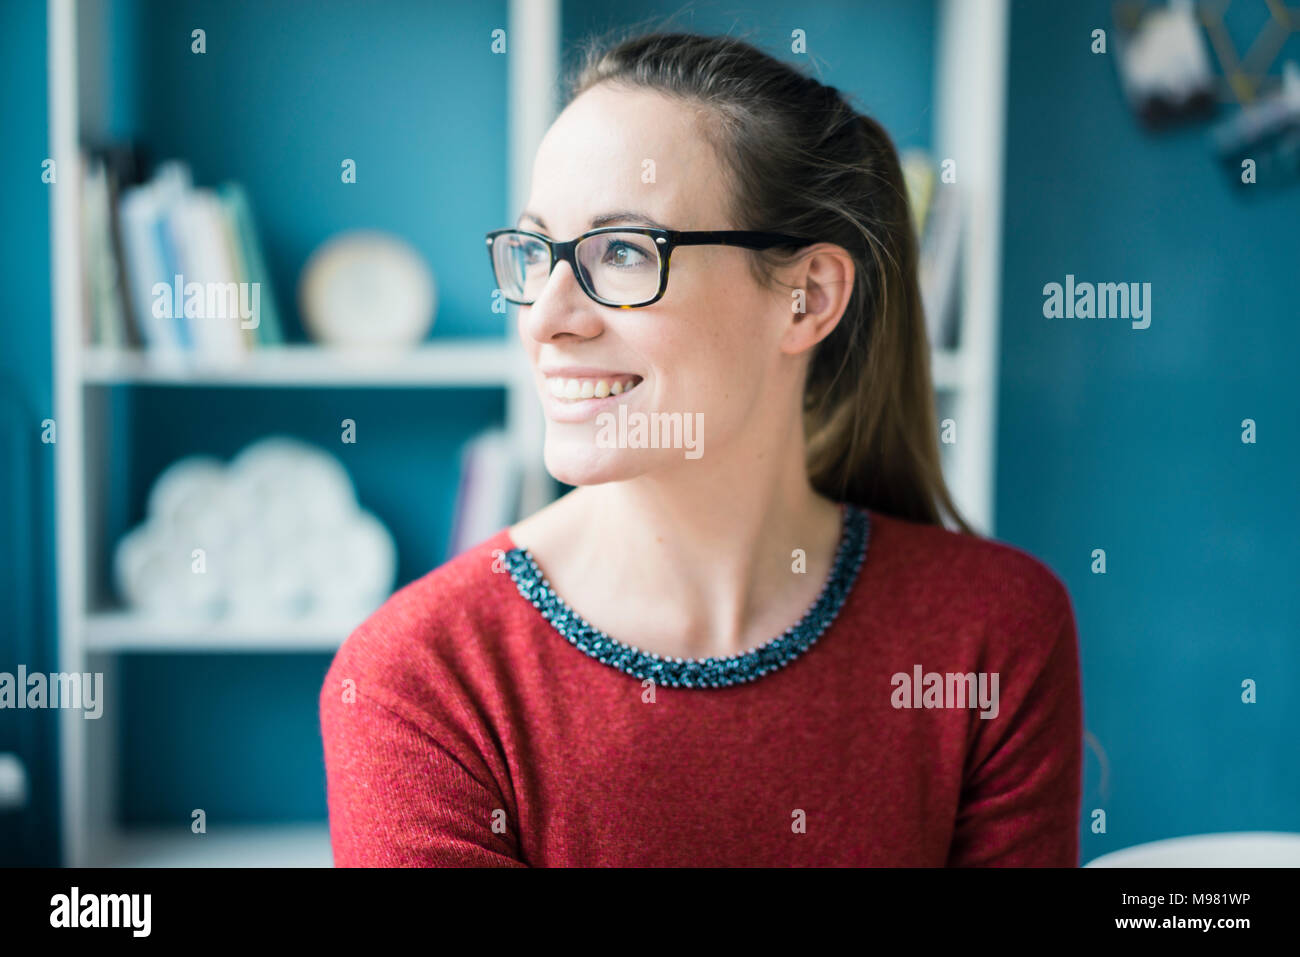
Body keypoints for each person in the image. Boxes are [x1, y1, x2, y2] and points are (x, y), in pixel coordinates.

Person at [320, 29, 1082, 866]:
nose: (545, 318)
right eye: (537, 251)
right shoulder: (419, 678)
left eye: (622, 252)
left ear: (808, 297)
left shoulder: (994, 632)